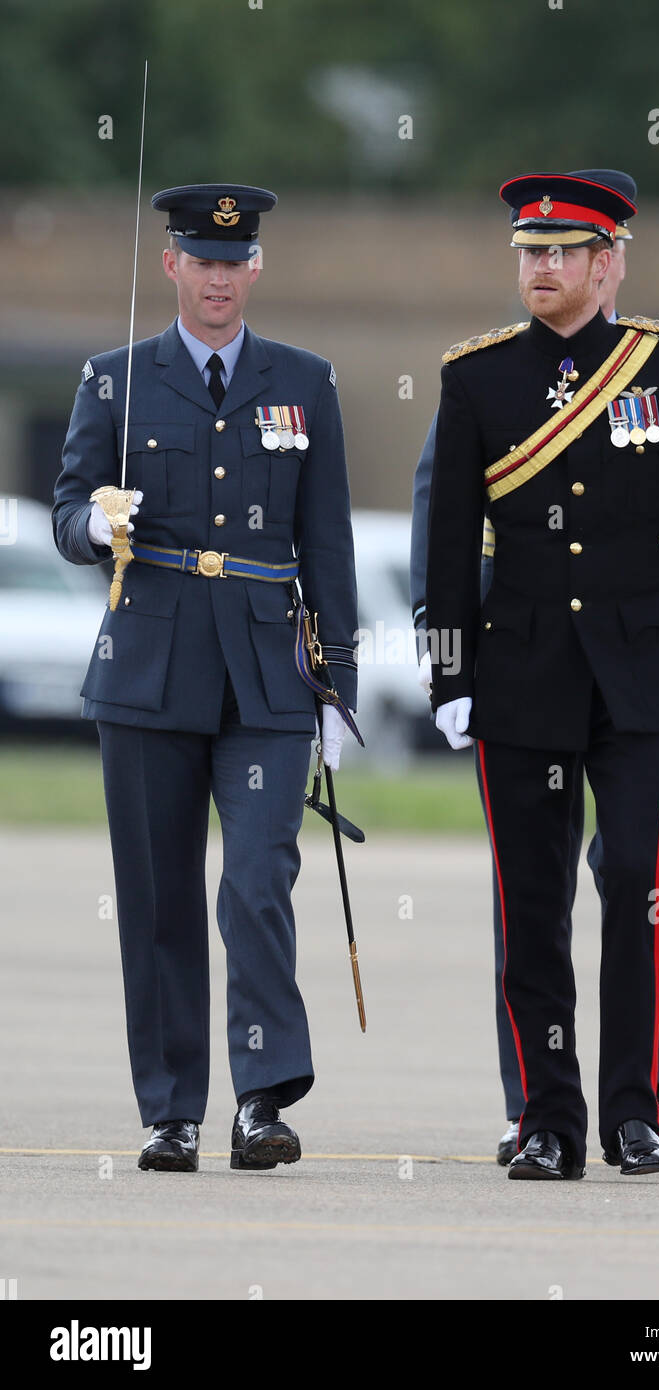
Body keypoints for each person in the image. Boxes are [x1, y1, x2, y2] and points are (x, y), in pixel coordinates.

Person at [425, 172, 659, 1179]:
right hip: (520, 675)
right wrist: (448, 675)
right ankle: (546, 1122)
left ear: (607, 262)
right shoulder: (475, 378)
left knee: (634, 886)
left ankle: (632, 1112)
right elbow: (442, 545)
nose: (542, 268)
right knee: (531, 906)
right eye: (529, 252)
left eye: (563, 252)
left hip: (639, 675)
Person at [53, 184, 358, 1173]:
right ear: (173, 265)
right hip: (148, 668)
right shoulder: (114, 380)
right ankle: (173, 1107)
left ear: (254, 269)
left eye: (235, 262)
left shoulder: (304, 382)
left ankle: (261, 1100)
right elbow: (64, 510)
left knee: (258, 882)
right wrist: (98, 525)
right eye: (202, 259)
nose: (219, 277)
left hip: (267, 676)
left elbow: (328, 543)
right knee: (157, 895)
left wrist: (338, 682)